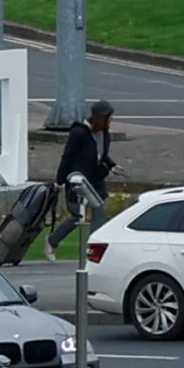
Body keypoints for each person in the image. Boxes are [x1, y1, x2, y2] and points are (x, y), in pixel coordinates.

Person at [41, 101, 118, 259]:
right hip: (79, 181)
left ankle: (94, 251)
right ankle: (51, 241)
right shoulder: (79, 133)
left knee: (99, 212)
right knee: (77, 215)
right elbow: (67, 156)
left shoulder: (104, 133)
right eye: (108, 117)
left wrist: (112, 165)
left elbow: (102, 154)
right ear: (98, 118)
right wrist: (60, 181)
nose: (111, 121)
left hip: (96, 179)